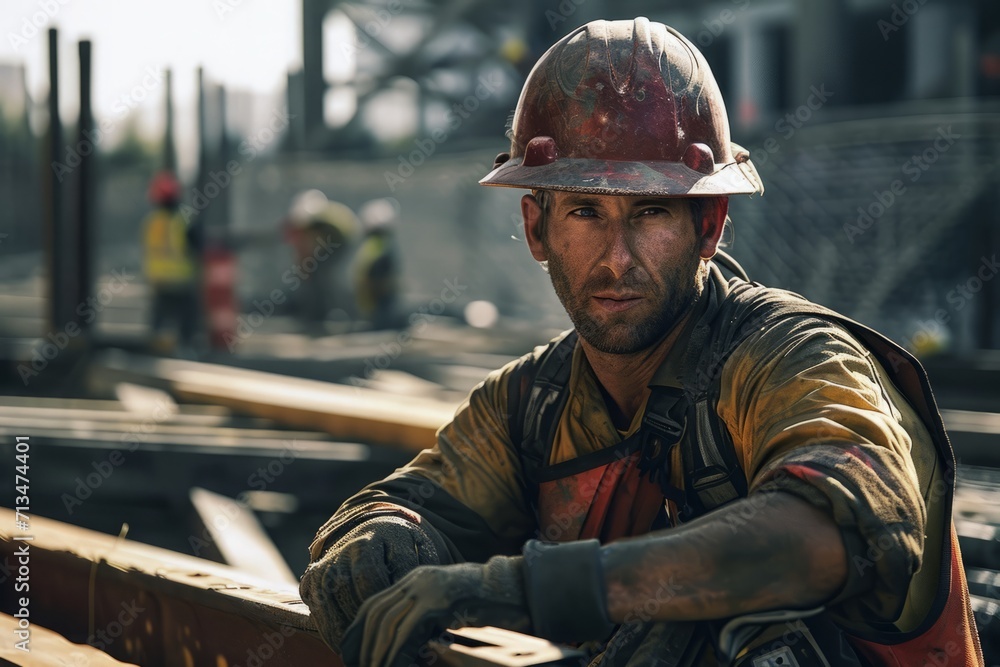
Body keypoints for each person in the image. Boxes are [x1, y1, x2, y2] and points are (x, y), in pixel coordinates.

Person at [300, 18, 983, 667]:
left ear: (709, 225)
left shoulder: (791, 358)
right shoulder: (530, 405)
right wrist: (376, 543)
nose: (617, 258)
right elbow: (408, 501)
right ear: (537, 228)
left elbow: (839, 533)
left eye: (651, 211)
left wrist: (540, 588)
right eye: (585, 211)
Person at [282, 190, 360, 333]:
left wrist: (305, 269)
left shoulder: (311, 223)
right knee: (320, 274)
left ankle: (322, 313)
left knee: (319, 275)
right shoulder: (315, 219)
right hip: (344, 235)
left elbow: (306, 250)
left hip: (343, 238)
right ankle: (323, 311)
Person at [142, 171, 199, 353]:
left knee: (158, 323)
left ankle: (155, 352)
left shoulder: (151, 222)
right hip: (181, 281)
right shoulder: (183, 221)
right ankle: (187, 349)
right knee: (186, 321)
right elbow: (196, 248)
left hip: (159, 282)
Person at [354, 198, 402, 330]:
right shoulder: (383, 248)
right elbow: (381, 284)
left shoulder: (367, 248)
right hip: (381, 314)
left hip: (368, 312)